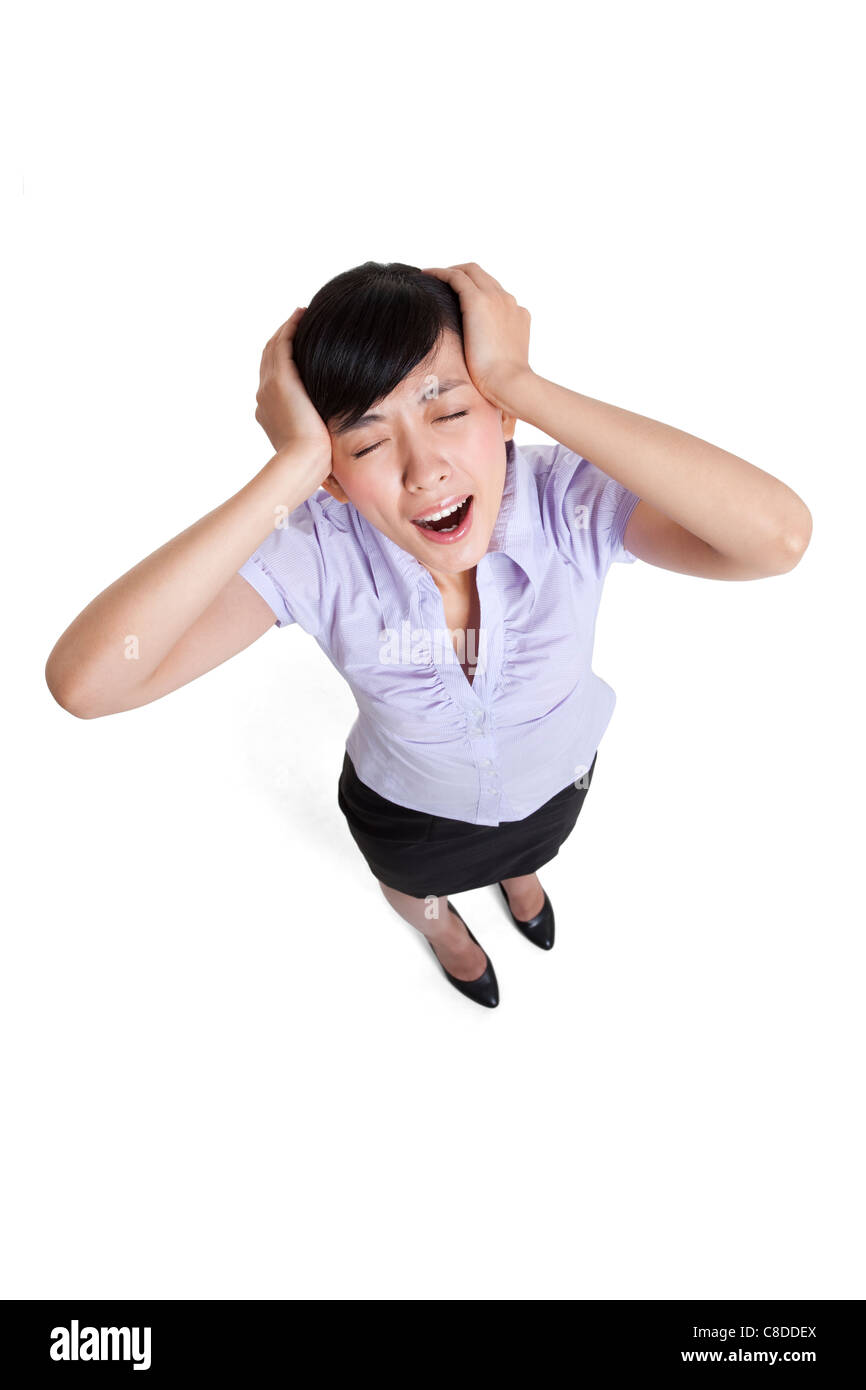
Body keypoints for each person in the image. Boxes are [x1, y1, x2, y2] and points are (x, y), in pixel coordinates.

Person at [44, 260, 813, 1009]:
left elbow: (775, 539)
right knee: (418, 892)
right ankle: (447, 935)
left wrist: (521, 383)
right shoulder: (316, 548)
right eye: (368, 443)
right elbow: (90, 683)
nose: (425, 470)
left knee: (531, 849)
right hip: (409, 815)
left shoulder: (566, 500)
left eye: (450, 412)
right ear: (334, 479)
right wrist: (294, 467)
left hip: (557, 785)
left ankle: (521, 877)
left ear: (500, 415)